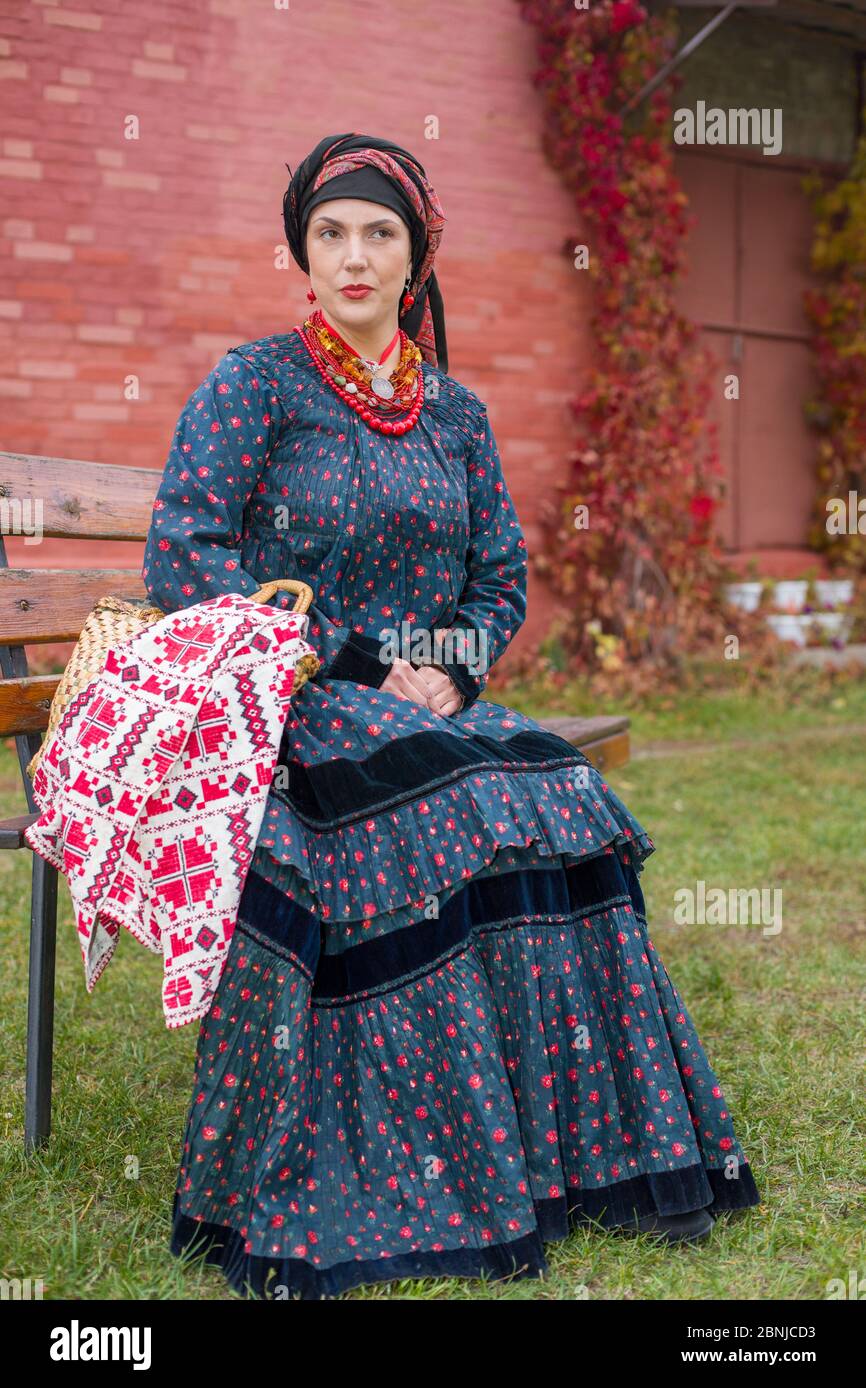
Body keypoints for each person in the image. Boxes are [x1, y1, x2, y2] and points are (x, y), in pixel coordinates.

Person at [142, 131, 761, 1300]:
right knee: (448, 800)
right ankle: (420, 1169)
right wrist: (353, 658)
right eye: (330, 234)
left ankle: (570, 1150)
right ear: (303, 253)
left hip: (423, 709)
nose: (354, 256)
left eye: (380, 233)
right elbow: (184, 556)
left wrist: (451, 668)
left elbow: (498, 581)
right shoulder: (254, 385)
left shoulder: (456, 415)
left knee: (558, 789)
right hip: (297, 701)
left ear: (416, 257)